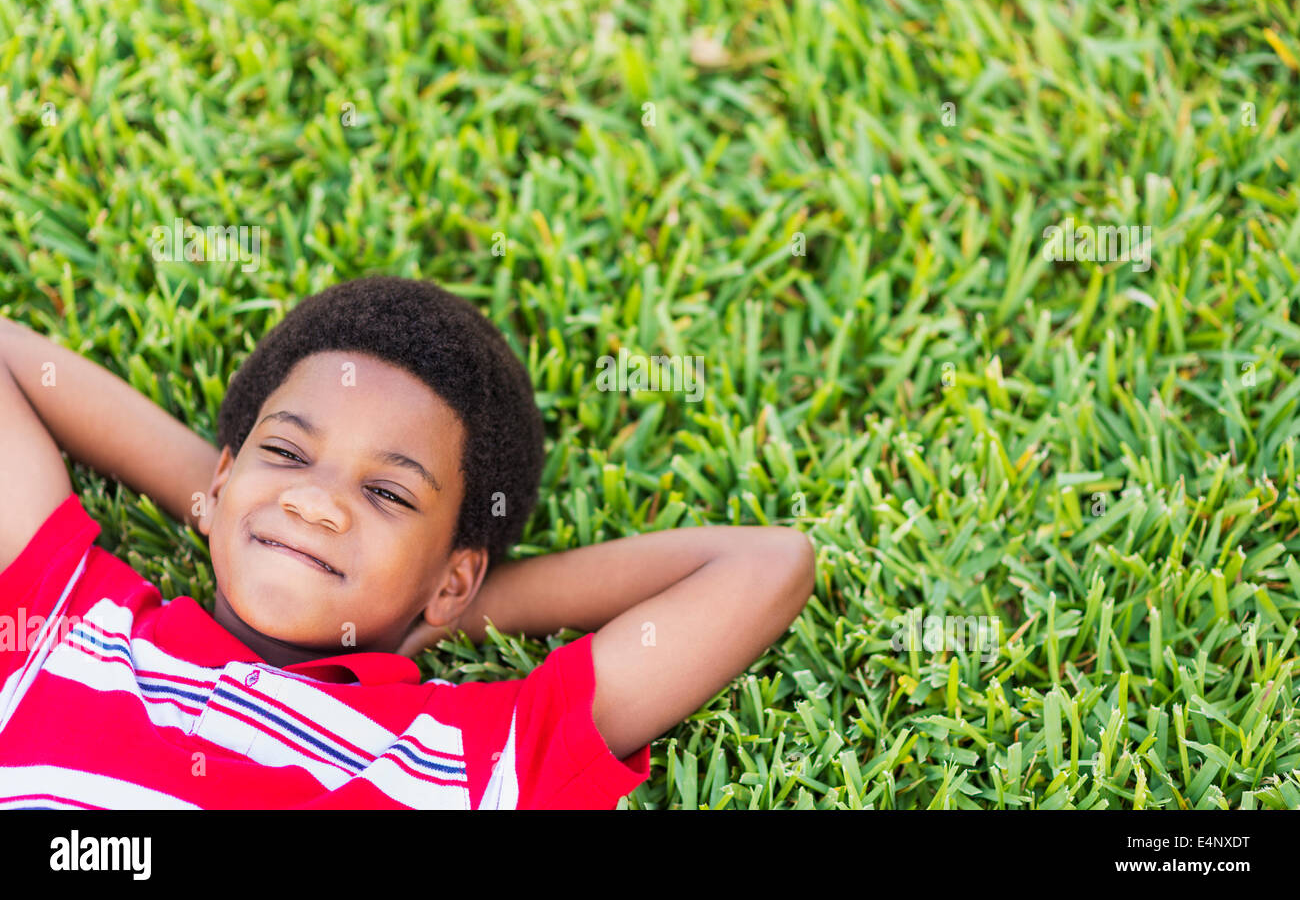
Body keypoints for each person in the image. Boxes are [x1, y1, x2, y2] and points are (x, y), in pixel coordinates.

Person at [0, 275, 815, 809]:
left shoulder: (466, 756)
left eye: (386, 492)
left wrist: (449, 604)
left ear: (454, 578)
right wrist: (228, 501)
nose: (316, 501)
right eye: (284, 450)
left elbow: (764, 565)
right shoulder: (70, 622)